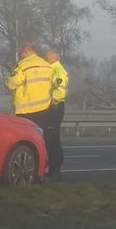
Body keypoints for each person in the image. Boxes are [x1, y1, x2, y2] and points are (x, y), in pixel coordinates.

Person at [5, 43, 53, 134]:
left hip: (26, 110)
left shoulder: (23, 66)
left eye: (20, 54)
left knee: (24, 136)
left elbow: (12, 84)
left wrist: (7, 79)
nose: (20, 56)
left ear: (26, 52)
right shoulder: (47, 65)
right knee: (40, 136)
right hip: (43, 108)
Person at [44, 49, 69, 179]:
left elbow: (60, 90)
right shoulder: (50, 69)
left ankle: (55, 171)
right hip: (51, 106)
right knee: (48, 140)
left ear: (55, 56)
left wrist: (51, 101)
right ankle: (50, 169)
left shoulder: (58, 71)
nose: (45, 57)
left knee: (53, 140)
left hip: (55, 107)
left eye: (47, 56)